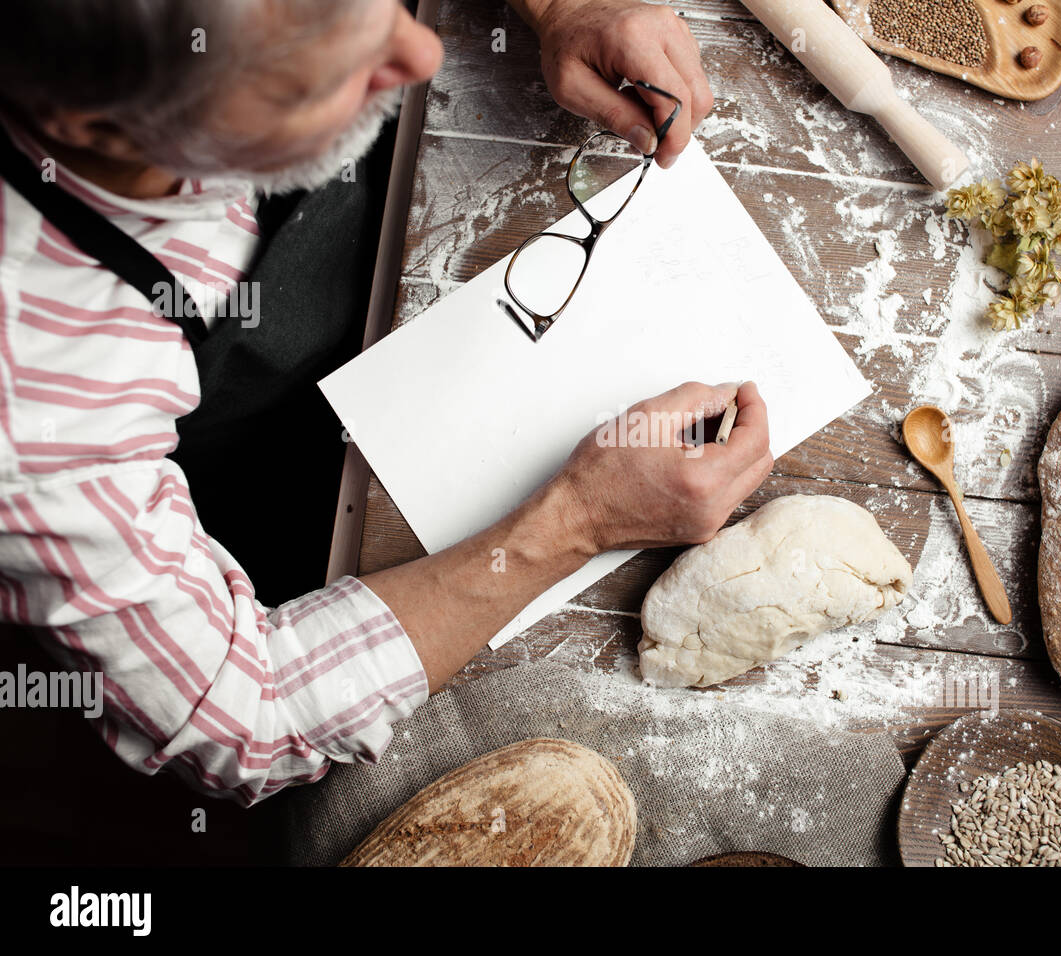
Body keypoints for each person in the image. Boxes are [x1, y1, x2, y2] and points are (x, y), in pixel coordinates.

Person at [0, 0, 772, 814]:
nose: (424, 52)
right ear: (91, 122)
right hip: (249, 468)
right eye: (316, 73)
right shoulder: (35, 403)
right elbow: (244, 715)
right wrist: (580, 519)